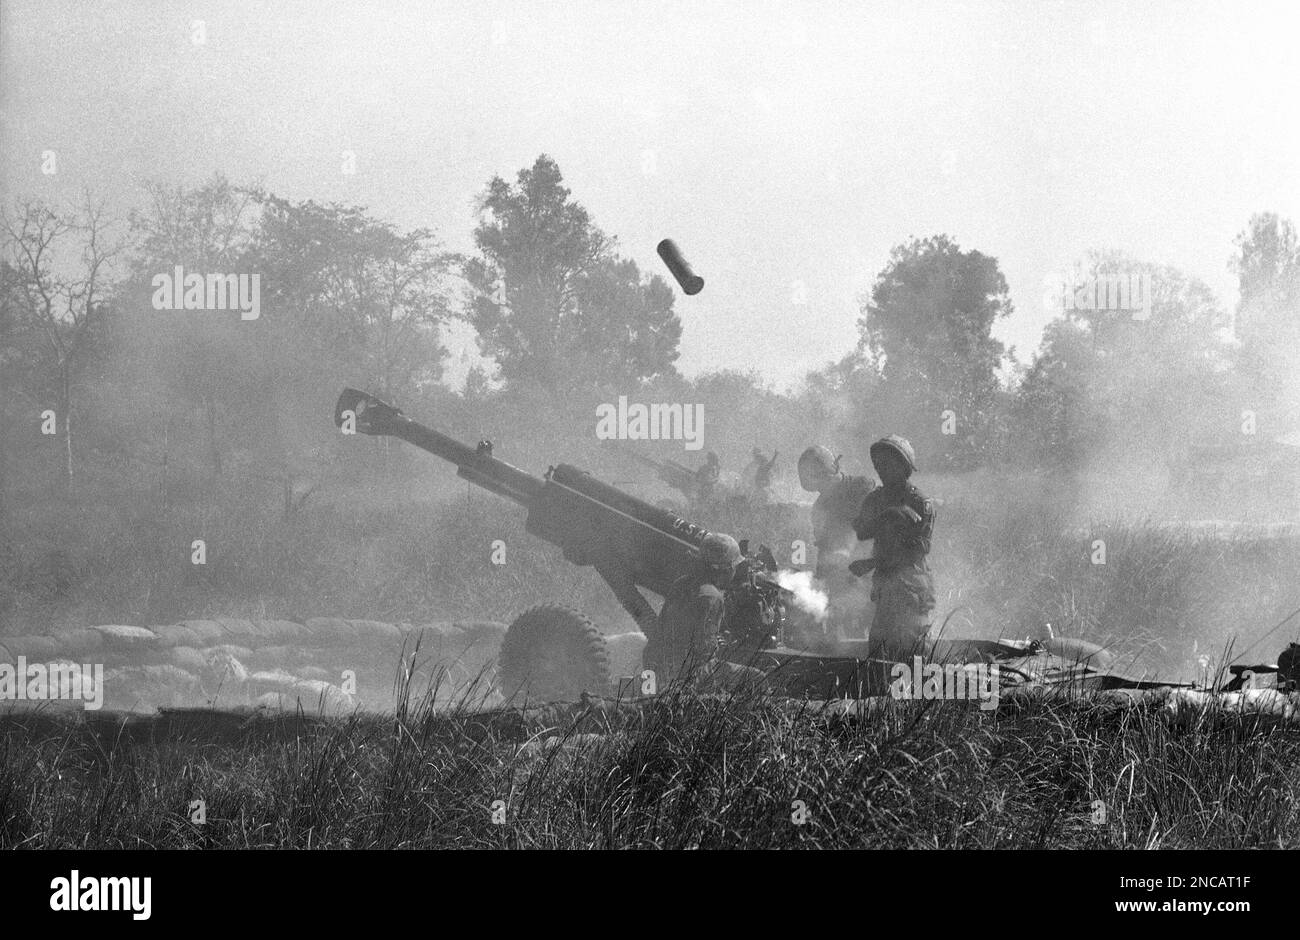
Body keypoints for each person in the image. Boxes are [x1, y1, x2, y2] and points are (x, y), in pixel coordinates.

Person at [851, 435, 937, 663]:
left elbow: (919, 549)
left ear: (903, 466)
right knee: (878, 655)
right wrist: (892, 513)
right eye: (877, 463)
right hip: (885, 587)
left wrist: (872, 563)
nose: (880, 468)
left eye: (887, 463)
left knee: (913, 656)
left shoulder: (920, 501)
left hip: (910, 589)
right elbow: (862, 531)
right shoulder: (876, 499)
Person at [797, 445, 877, 639]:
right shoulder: (819, 507)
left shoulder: (861, 487)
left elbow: (868, 531)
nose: (823, 490)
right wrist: (820, 584)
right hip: (841, 584)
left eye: (824, 482)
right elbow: (824, 552)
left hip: (870, 574)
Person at [643, 532, 741, 684]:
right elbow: (704, 652)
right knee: (758, 677)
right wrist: (722, 644)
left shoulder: (680, 584)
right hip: (689, 673)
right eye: (734, 566)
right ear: (726, 569)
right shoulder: (712, 597)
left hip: (656, 666)